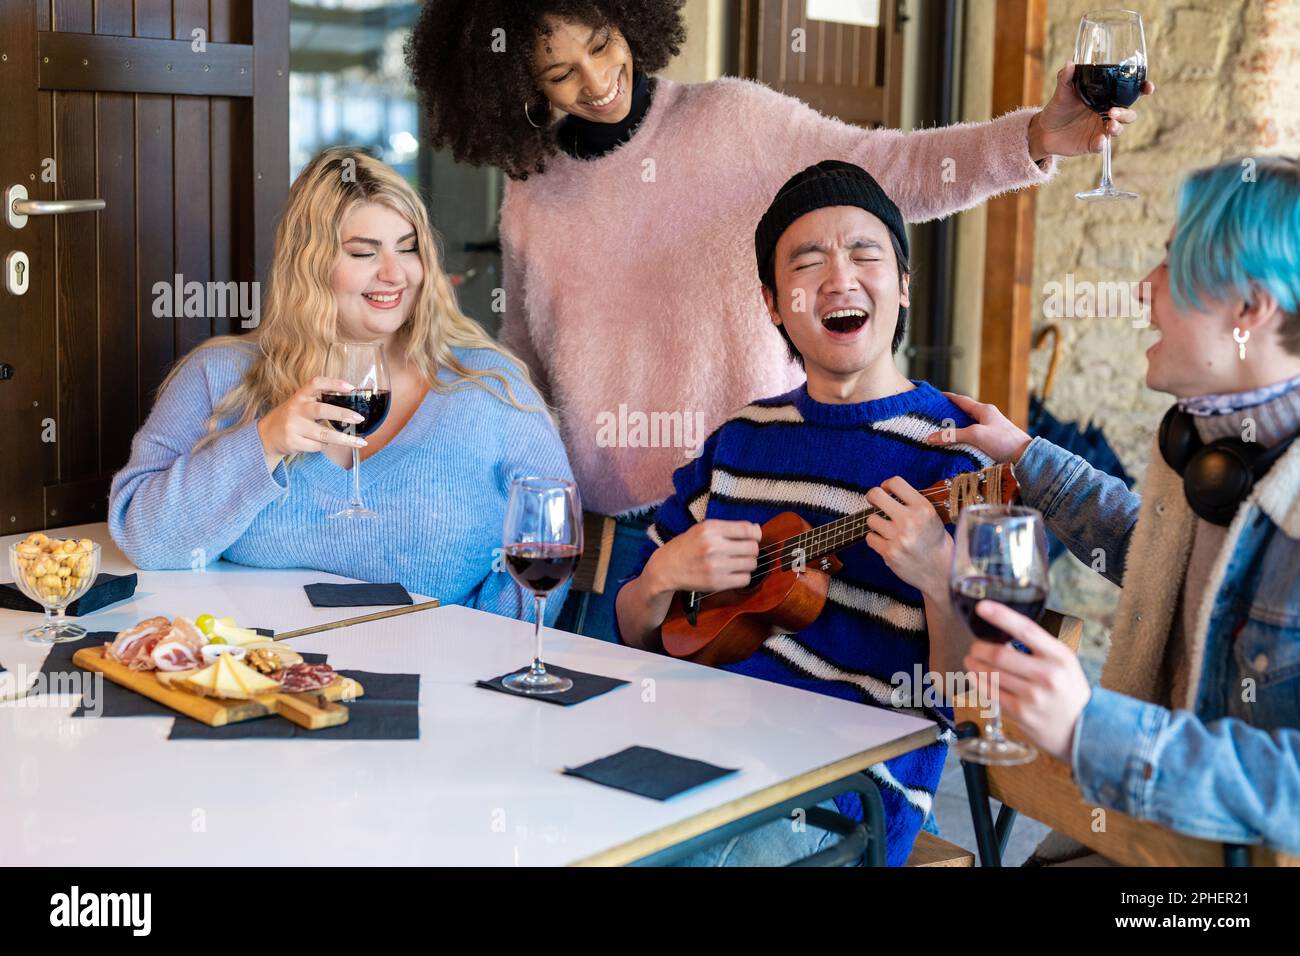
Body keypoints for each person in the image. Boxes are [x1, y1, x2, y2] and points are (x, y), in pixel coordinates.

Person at [406, 0, 1154, 642]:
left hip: (743, 541)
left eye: (601, 43)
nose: (598, 81)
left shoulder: (733, 121)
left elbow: (889, 170)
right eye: (561, 72)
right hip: (600, 557)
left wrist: (1033, 138)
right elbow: (526, 370)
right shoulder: (530, 194)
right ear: (518, 85)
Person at [615, 161, 997, 866]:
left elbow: (977, 703)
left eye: (864, 253)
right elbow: (638, 628)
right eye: (809, 261)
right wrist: (664, 571)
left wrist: (941, 578)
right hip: (690, 746)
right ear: (773, 303)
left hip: (842, 799)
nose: (839, 278)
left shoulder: (960, 459)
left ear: (904, 285)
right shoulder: (741, 440)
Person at [930, 156, 1300, 861]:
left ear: (1250, 310)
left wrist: (1089, 729)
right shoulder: (1208, 456)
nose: (1143, 289)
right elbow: (1167, 567)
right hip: (1142, 846)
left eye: (1171, 264)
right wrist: (1024, 454)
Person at [109, 148, 573, 622]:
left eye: (408, 247)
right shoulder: (221, 376)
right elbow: (145, 538)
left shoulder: (487, 387)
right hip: (270, 674)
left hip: (435, 684)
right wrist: (265, 441)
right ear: (309, 264)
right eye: (364, 253)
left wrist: (478, 659)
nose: (395, 273)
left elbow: (550, 541)